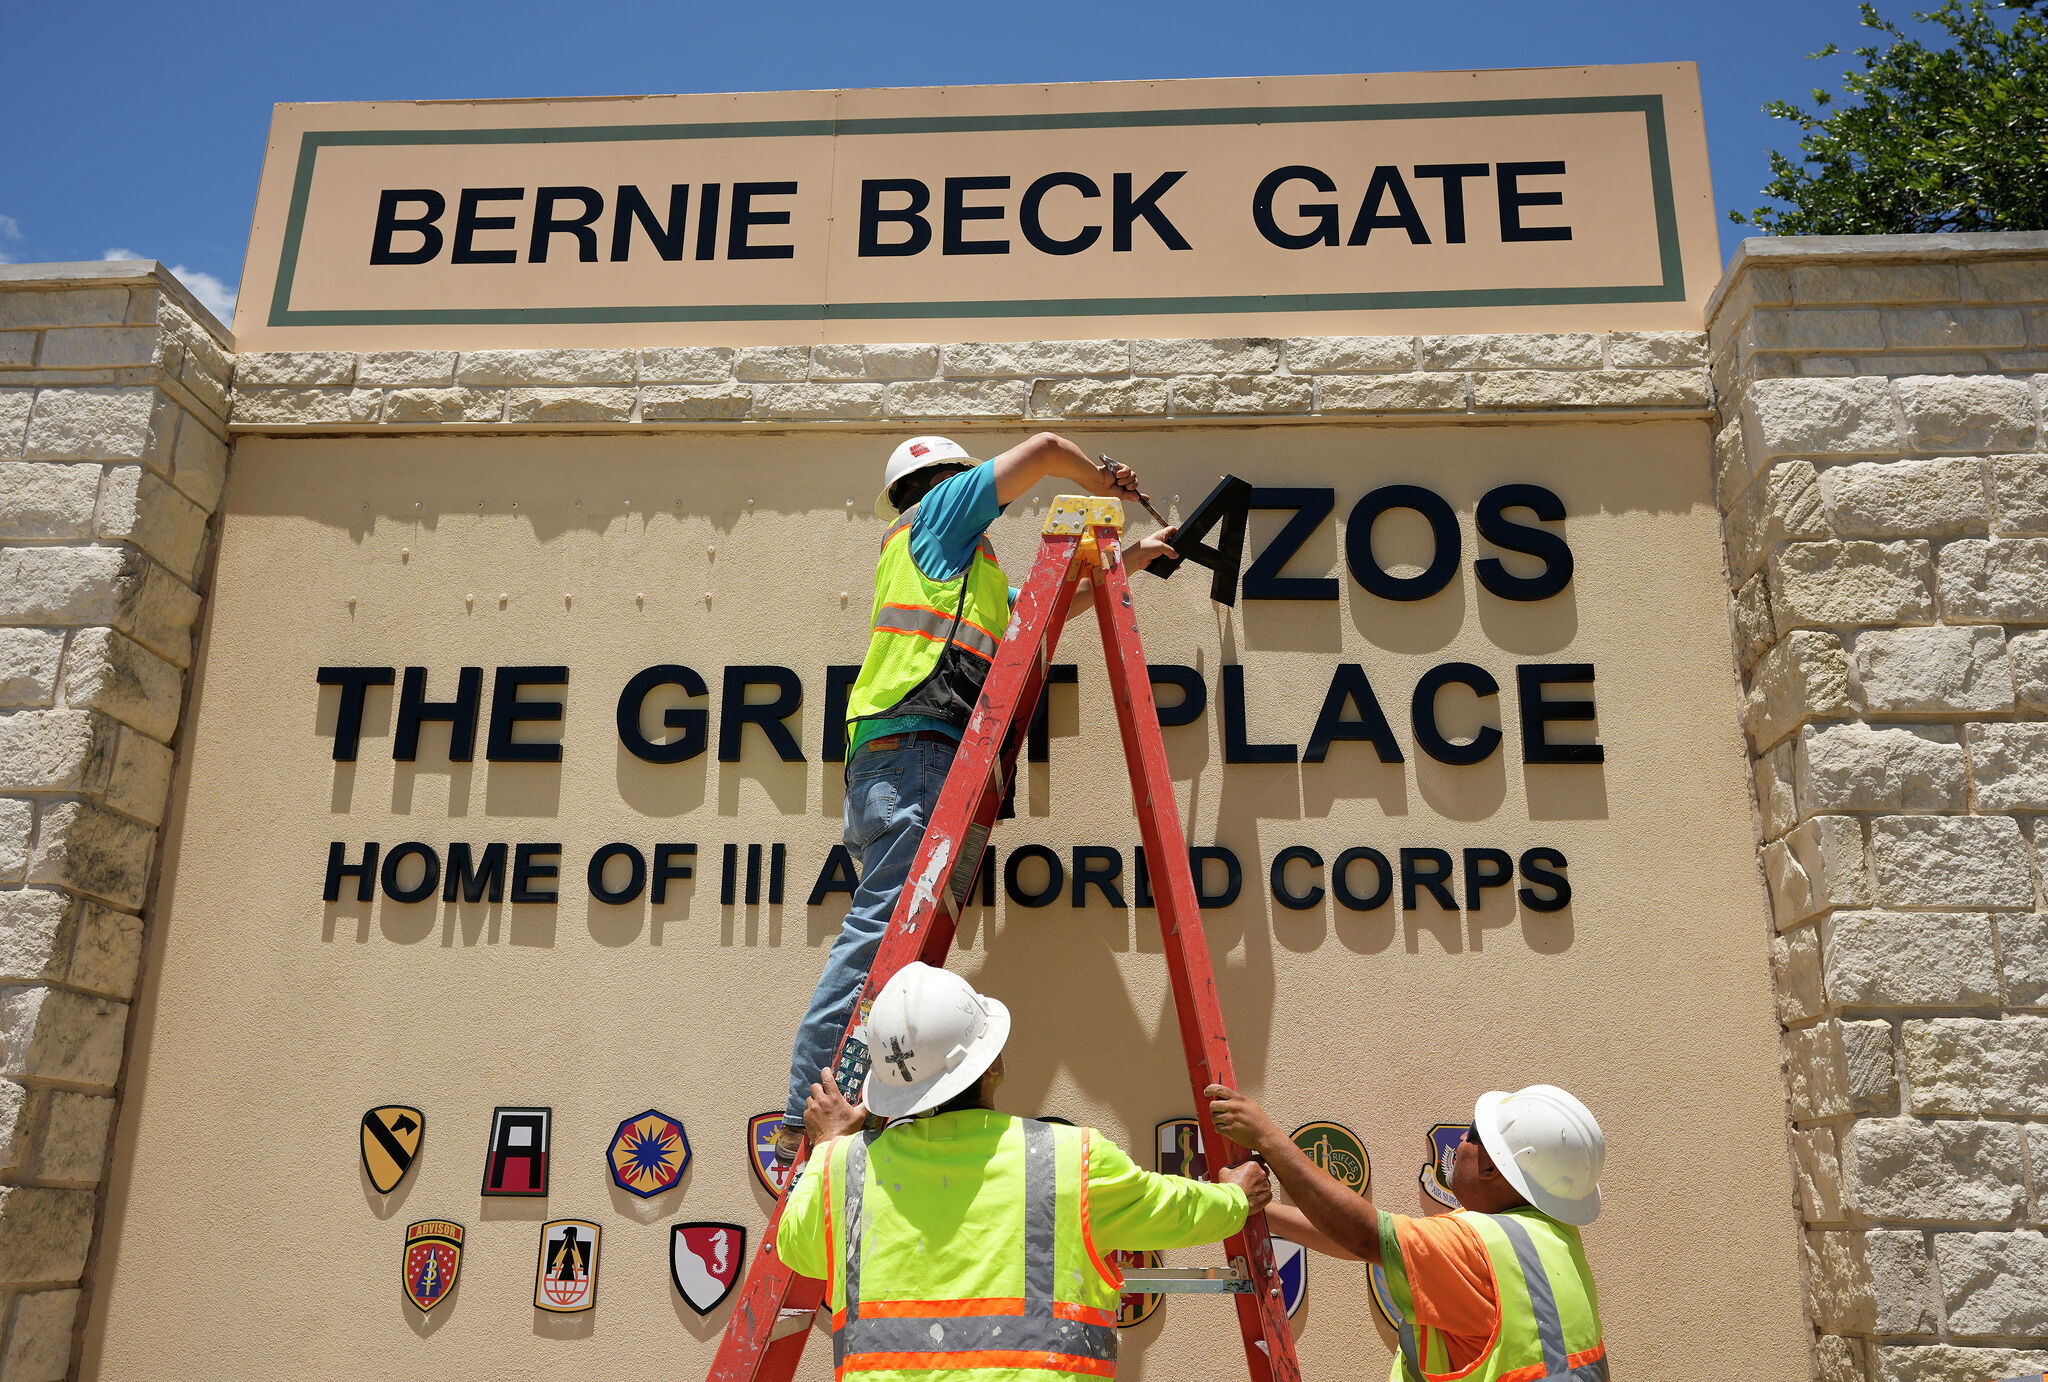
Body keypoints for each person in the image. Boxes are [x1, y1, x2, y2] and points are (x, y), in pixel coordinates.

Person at [775, 433, 1178, 1162]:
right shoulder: (934, 519)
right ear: (946, 484)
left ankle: (855, 1101)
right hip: (918, 754)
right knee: (878, 939)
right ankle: (812, 1103)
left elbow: (1040, 608)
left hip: (902, 760)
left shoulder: (961, 571)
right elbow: (1048, 449)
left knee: (893, 944)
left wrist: (1143, 557)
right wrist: (1103, 479)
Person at [779, 963, 1268, 1382]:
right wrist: (1237, 1196)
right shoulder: (1069, 1158)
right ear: (992, 1064)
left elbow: (797, 1249)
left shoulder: (846, 1168)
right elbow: (1177, 1212)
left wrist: (827, 1146)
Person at [1205, 1082, 1608, 1382]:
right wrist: (1260, 1213)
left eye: (1471, 1132)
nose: (1462, 1140)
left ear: (1490, 1167)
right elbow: (1370, 1245)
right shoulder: (1552, 1238)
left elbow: (1365, 1234)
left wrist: (1267, 1138)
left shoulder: (1477, 1243)